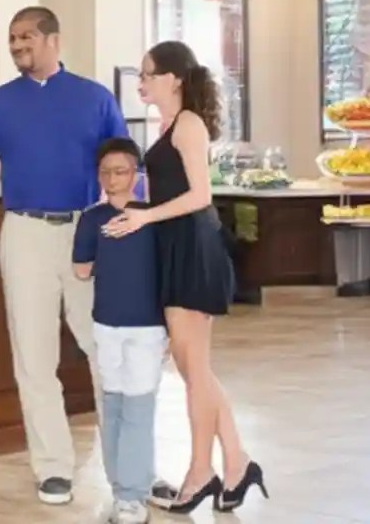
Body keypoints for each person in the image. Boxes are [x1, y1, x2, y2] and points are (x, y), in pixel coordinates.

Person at [0, 6, 177, 507]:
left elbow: (124, 165)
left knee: (106, 349)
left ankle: (132, 468)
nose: (17, 45)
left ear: (53, 40)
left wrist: (138, 225)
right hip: (24, 233)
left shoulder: (94, 98)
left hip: (88, 230)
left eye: (26, 37)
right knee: (34, 354)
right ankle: (52, 468)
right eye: (12, 39)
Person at [102, 40, 264, 514]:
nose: (141, 83)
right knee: (195, 368)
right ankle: (233, 463)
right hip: (177, 244)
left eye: (148, 74)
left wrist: (144, 218)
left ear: (174, 78)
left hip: (193, 245)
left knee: (194, 369)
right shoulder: (169, 124)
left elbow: (199, 195)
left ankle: (205, 471)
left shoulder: (188, 124)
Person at [73, 139, 168, 524]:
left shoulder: (154, 217)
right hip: (106, 326)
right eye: (106, 172)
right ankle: (123, 491)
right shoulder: (92, 219)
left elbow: (86, 268)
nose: (113, 179)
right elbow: (80, 269)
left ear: (137, 174)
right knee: (114, 405)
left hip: (147, 328)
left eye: (121, 171)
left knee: (138, 408)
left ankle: (132, 495)